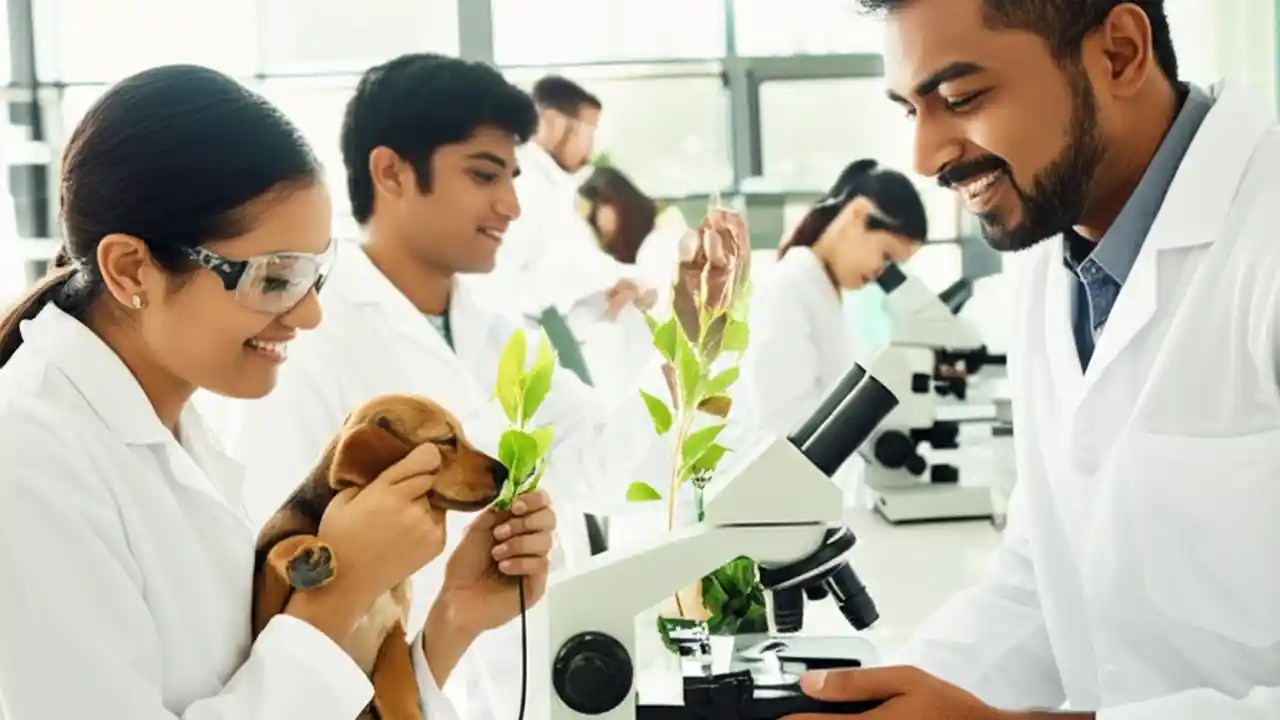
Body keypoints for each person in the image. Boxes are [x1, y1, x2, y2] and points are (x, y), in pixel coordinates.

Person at [0, 65, 556, 720]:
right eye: (274, 278)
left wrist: (452, 622)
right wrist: (341, 592)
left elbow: (264, 686)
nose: (309, 314)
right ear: (130, 269)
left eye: (315, 276)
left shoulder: (180, 432)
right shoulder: (27, 458)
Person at [202, 54, 748, 720]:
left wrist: (691, 331)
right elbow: (278, 567)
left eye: (514, 178)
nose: (511, 206)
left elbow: (601, 466)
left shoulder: (497, 333)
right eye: (484, 175)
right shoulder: (306, 343)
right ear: (391, 172)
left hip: (515, 684)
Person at [796, 1, 1280, 718]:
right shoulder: (1045, 256)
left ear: (1119, 54)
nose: (924, 158)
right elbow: (1045, 580)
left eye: (962, 97)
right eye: (910, 110)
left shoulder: (1265, 236)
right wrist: (881, 702)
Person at [739, 158, 927, 438]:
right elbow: (782, 420)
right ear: (858, 215)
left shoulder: (825, 292)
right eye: (886, 256)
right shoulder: (788, 288)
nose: (882, 272)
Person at [479, 75, 657, 324]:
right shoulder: (521, 185)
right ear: (554, 123)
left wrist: (632, 281)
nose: (591, 149)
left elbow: (578, 259)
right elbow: (503, 281)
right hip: (525, 330)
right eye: (588, 133)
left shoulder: (551, 187)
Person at [578, 164, 690, 314]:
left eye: (602, 206)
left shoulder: (659, 243)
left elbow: (664, 306)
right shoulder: (646, 248)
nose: (600, 221)